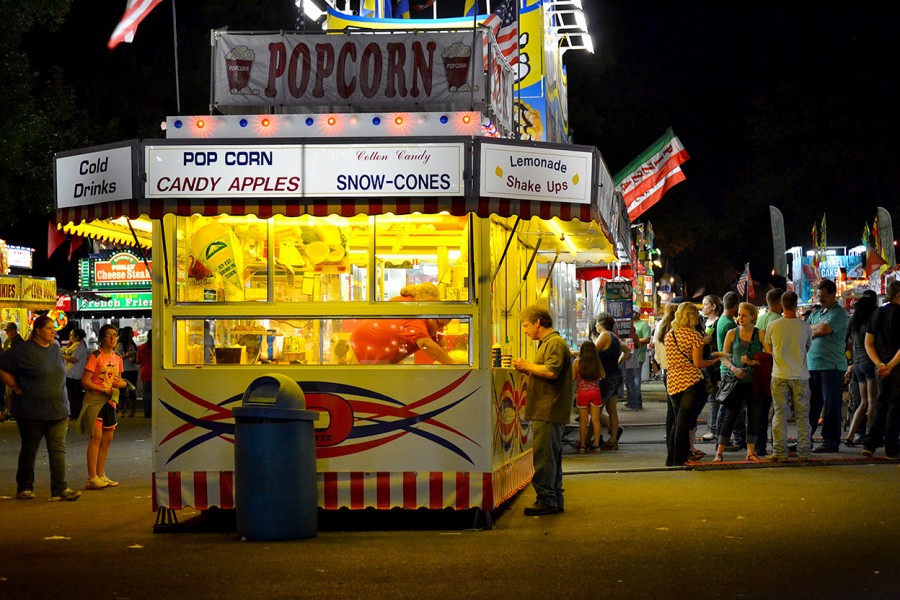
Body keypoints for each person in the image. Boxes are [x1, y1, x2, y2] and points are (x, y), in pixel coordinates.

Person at [0, 315, 82, 501]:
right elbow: (2, 365)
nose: (53, 331)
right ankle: (24, 487)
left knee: (57, 448)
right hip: (31, 411)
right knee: (30, 448)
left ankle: (60, 488)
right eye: (48, 328)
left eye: (53, 328)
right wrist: (13, 385)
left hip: (58, 408)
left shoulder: (54, 348)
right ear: (38, 331)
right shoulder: (22, 351)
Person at [513, 305, 573, 516]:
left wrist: (526, 366)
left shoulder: (554, 343)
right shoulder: (549, 343)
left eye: (526, 325)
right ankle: (554, 497)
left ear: (538, 322)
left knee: (544, 456)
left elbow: (551, 371)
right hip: (548, 408)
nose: (525, 330)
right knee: (551, 456)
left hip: (548, 408)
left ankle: (546, 499)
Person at [348, 283, 462, 364]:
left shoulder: (427, 314)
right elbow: (425, 344)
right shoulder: (412, 312)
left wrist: (446, 357)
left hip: (380, 354)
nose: (440, 329)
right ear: (419, 298)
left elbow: (438, 335)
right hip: (364, 354)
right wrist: (452, 364)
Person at [663, 303, 720, 466]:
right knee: (684, 422)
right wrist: (714, 360)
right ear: (691, 317)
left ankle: (671, 458)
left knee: (676, 421)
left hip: (673, 382)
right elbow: (698, 363)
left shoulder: (670, 335)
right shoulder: (694, 336)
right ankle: (680, 458)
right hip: (690, 381)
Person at [763, 290, 813, 462]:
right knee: (803, 415)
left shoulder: (773, 326)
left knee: (779, 413)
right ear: (796, 304)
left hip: (779, 374)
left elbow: (769, 349)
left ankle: (779, 451)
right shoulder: (805, 326)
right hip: (800, 375)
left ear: (781, 305)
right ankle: (804, 451)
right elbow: (807, 348)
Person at [78, 324, 127, 490]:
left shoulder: (117, 359)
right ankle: (92, 477)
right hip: (95, 401)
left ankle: (100, 474)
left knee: (108, 438)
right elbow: (85, 381)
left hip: (110, 402)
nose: (112, 338)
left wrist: (120, 384)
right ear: (101, 338)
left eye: (115, 335)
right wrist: (103, 389)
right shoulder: (95, 356)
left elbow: (119, 380)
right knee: (96, 437)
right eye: (108, 335)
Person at [716, 302, 766, 462]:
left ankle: (750, 451)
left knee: (753, 416)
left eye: (744, 315)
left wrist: (753, 363)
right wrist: (733, 368)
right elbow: (724, 355)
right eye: (739, 314)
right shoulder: (732, 333)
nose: (740, 318)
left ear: (753, 316)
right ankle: (719, 452)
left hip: (754, 382)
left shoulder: (760, 334)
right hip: (735, 381)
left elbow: (769, 357)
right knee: (730, 415)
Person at [807, 279, 850, 453]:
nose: (820, 300)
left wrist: (814, 329)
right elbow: (806, 329)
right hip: (813, 365)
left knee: (831, 404)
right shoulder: (816, 313)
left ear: (833, 295)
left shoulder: (839, 313)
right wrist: (814, 329)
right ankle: (805, 439)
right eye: (819, 296)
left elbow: (824, 329)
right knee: (811, 405)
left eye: (824, 297)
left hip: (832, 366)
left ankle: (831, 441)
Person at [861, 280, 900, 459]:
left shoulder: (877, 313)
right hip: (896, 366)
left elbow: (868, 343)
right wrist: (890, 366)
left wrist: (879, 364)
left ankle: (870, 443)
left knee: (881, 404)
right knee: (894, 406)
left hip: (880, 367)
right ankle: (892, 448)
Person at [845, 296, 878, 446]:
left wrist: (850, 364)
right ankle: (872, 436)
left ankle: (850, 435)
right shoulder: (870, 324)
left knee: (863, 402)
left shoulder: (854, 323)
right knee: (872, 402)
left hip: (857, 364)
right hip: (870, 363)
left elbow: (848, 343)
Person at [715, 292, 745, 449]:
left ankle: (725, 438)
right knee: (732, 407)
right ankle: (726, 439)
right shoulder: (729, 325)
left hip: (726, 367)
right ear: (735, 306)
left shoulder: (722, 320)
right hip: (730, 368)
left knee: (728, 405)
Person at [595, 313, 628, 449]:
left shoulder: (604, 335)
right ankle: (613, 440)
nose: (596, 326)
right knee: (612, 410)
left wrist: (574, 354)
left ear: (601, 324)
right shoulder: (614, 337)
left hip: (606, 378)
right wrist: (618, 363)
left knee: (596, 411)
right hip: (615, 375)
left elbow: (591, 352)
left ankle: (592, 441)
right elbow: (627, 351)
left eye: (597, 323)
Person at [573, 339, 604, 453]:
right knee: (596, 420)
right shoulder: (597, 362)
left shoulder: (577, 362)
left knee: (583, 421)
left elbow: (572, 378)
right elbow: (603, 375)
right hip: (595, 392)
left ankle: (582, 446)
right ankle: (596, 445)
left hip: (582, 393)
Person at [700, 295, 724, 441]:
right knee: (710, 398)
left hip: (715, 364)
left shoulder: (719, 323)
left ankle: (713, 428)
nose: (703, 307)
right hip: (704, 364)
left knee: (715, 398)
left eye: (705, 304)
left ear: (714, 306)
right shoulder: (703, 323)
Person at [624, 307, 652, 410]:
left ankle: (634, 404)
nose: (631, 314)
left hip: (638, 356)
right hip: (629, 356)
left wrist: (634, 340)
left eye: (633, 312)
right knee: (629, 381)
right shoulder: (628, 324)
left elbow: (647, 339)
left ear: (638, 314)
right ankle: (635, 401)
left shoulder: (643, 325)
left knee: (635, 381)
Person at [62, 328, 89, 420]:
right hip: (71, 374)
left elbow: (74, 359)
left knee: (74, 395)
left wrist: (62, 355)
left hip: (74, 375)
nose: (70, 337)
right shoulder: (75, 345)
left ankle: (75, 413)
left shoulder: (79, 346)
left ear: (77, 337)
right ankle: (74, 413)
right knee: (73, 395)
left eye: (71, 335)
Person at [1, 321, 25, 421]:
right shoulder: (10, 341)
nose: (7, 333)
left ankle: (15, 412)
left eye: (8, 331)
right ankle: (11, 411)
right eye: (6, 331)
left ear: (14, 330)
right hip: (10, 371)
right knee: (9, 393)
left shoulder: (18, 341)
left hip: (15, 372)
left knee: (14, 392)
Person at [117, 326, 139, 416]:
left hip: (133, 369)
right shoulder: (120, 345)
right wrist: (126, 355)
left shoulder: (133, 344)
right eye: (131, 332)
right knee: (122, 390)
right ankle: (121, 409)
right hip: (125, 370)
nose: (132, 334)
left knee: (132, 390)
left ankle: (132, 410)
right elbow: (118, 357)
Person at [136, 332, 153, 419]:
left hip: (145, 372)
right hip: (155, 373)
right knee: (154, 393)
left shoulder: (141, 347)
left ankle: (147, 412)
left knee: (146, 394)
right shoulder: (158, 347)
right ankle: (154, 411)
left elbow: (138, 360)